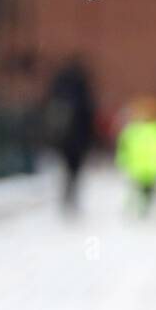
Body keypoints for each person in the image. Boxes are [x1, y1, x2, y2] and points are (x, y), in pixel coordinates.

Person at [43, 57, 97, 213]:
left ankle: (67, 195)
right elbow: (88, 116)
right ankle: (71, 195)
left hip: (65, 139)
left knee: (67, 168)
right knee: (75, 170)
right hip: (78, 139)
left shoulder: (60, 90)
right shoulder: (82, 91)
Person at [115, 97, 156, 217]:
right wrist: (124, 162)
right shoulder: (133, 130)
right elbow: (124, 149)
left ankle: (150, 212)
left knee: (153, 193)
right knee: (139, 193)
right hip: (137, 169)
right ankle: (139, 212)